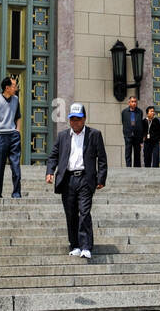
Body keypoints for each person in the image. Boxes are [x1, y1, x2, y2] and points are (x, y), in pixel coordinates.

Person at [46, 103, 108, 260]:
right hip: (67, 179)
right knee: (71, 213)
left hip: (86, 179)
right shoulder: (63, 136)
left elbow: (102, 158)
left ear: (84, 119)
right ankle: (75, 245)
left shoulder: (94, 135)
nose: (75, 122)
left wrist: (101, 178)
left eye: (78, 119)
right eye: (72, 119)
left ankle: (86, 246)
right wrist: (50, 172)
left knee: (84, 212)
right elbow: (53, 155)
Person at [121, 95, 144, 169]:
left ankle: (137, 168)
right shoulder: (124, 112)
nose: (134, 103)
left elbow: (140, 124)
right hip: (128, 135)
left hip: (137, 136)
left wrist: (141, 139)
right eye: (132, 102)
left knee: (137, 153)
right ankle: (128, 167)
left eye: (135, 102)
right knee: (128, 152)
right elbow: (123, 122)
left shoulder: (140, 112)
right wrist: (126, 133)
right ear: (129, 103)